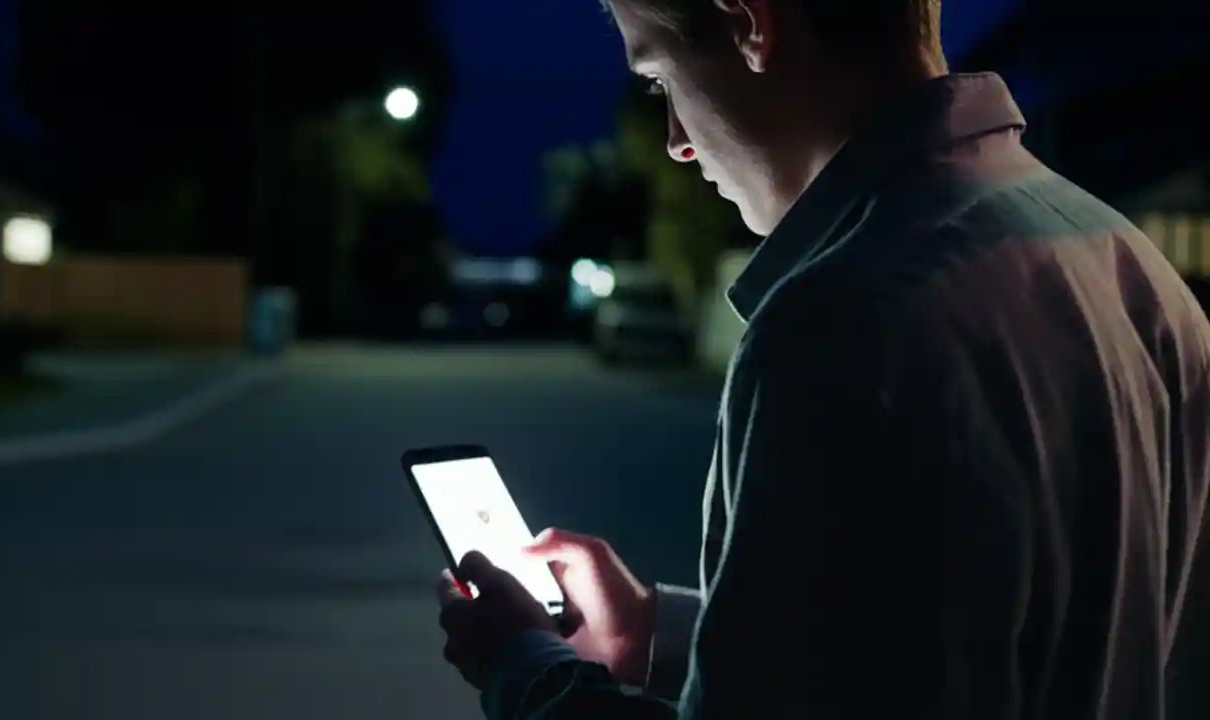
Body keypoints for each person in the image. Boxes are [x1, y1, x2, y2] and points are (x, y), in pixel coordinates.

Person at [434, 1, 1210, 718]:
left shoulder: (845, 319)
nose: (675, 138)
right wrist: (652, 634)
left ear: (749, 23)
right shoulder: (1130, 267)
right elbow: (934, 648)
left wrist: (527, 670)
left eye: (662, 77)